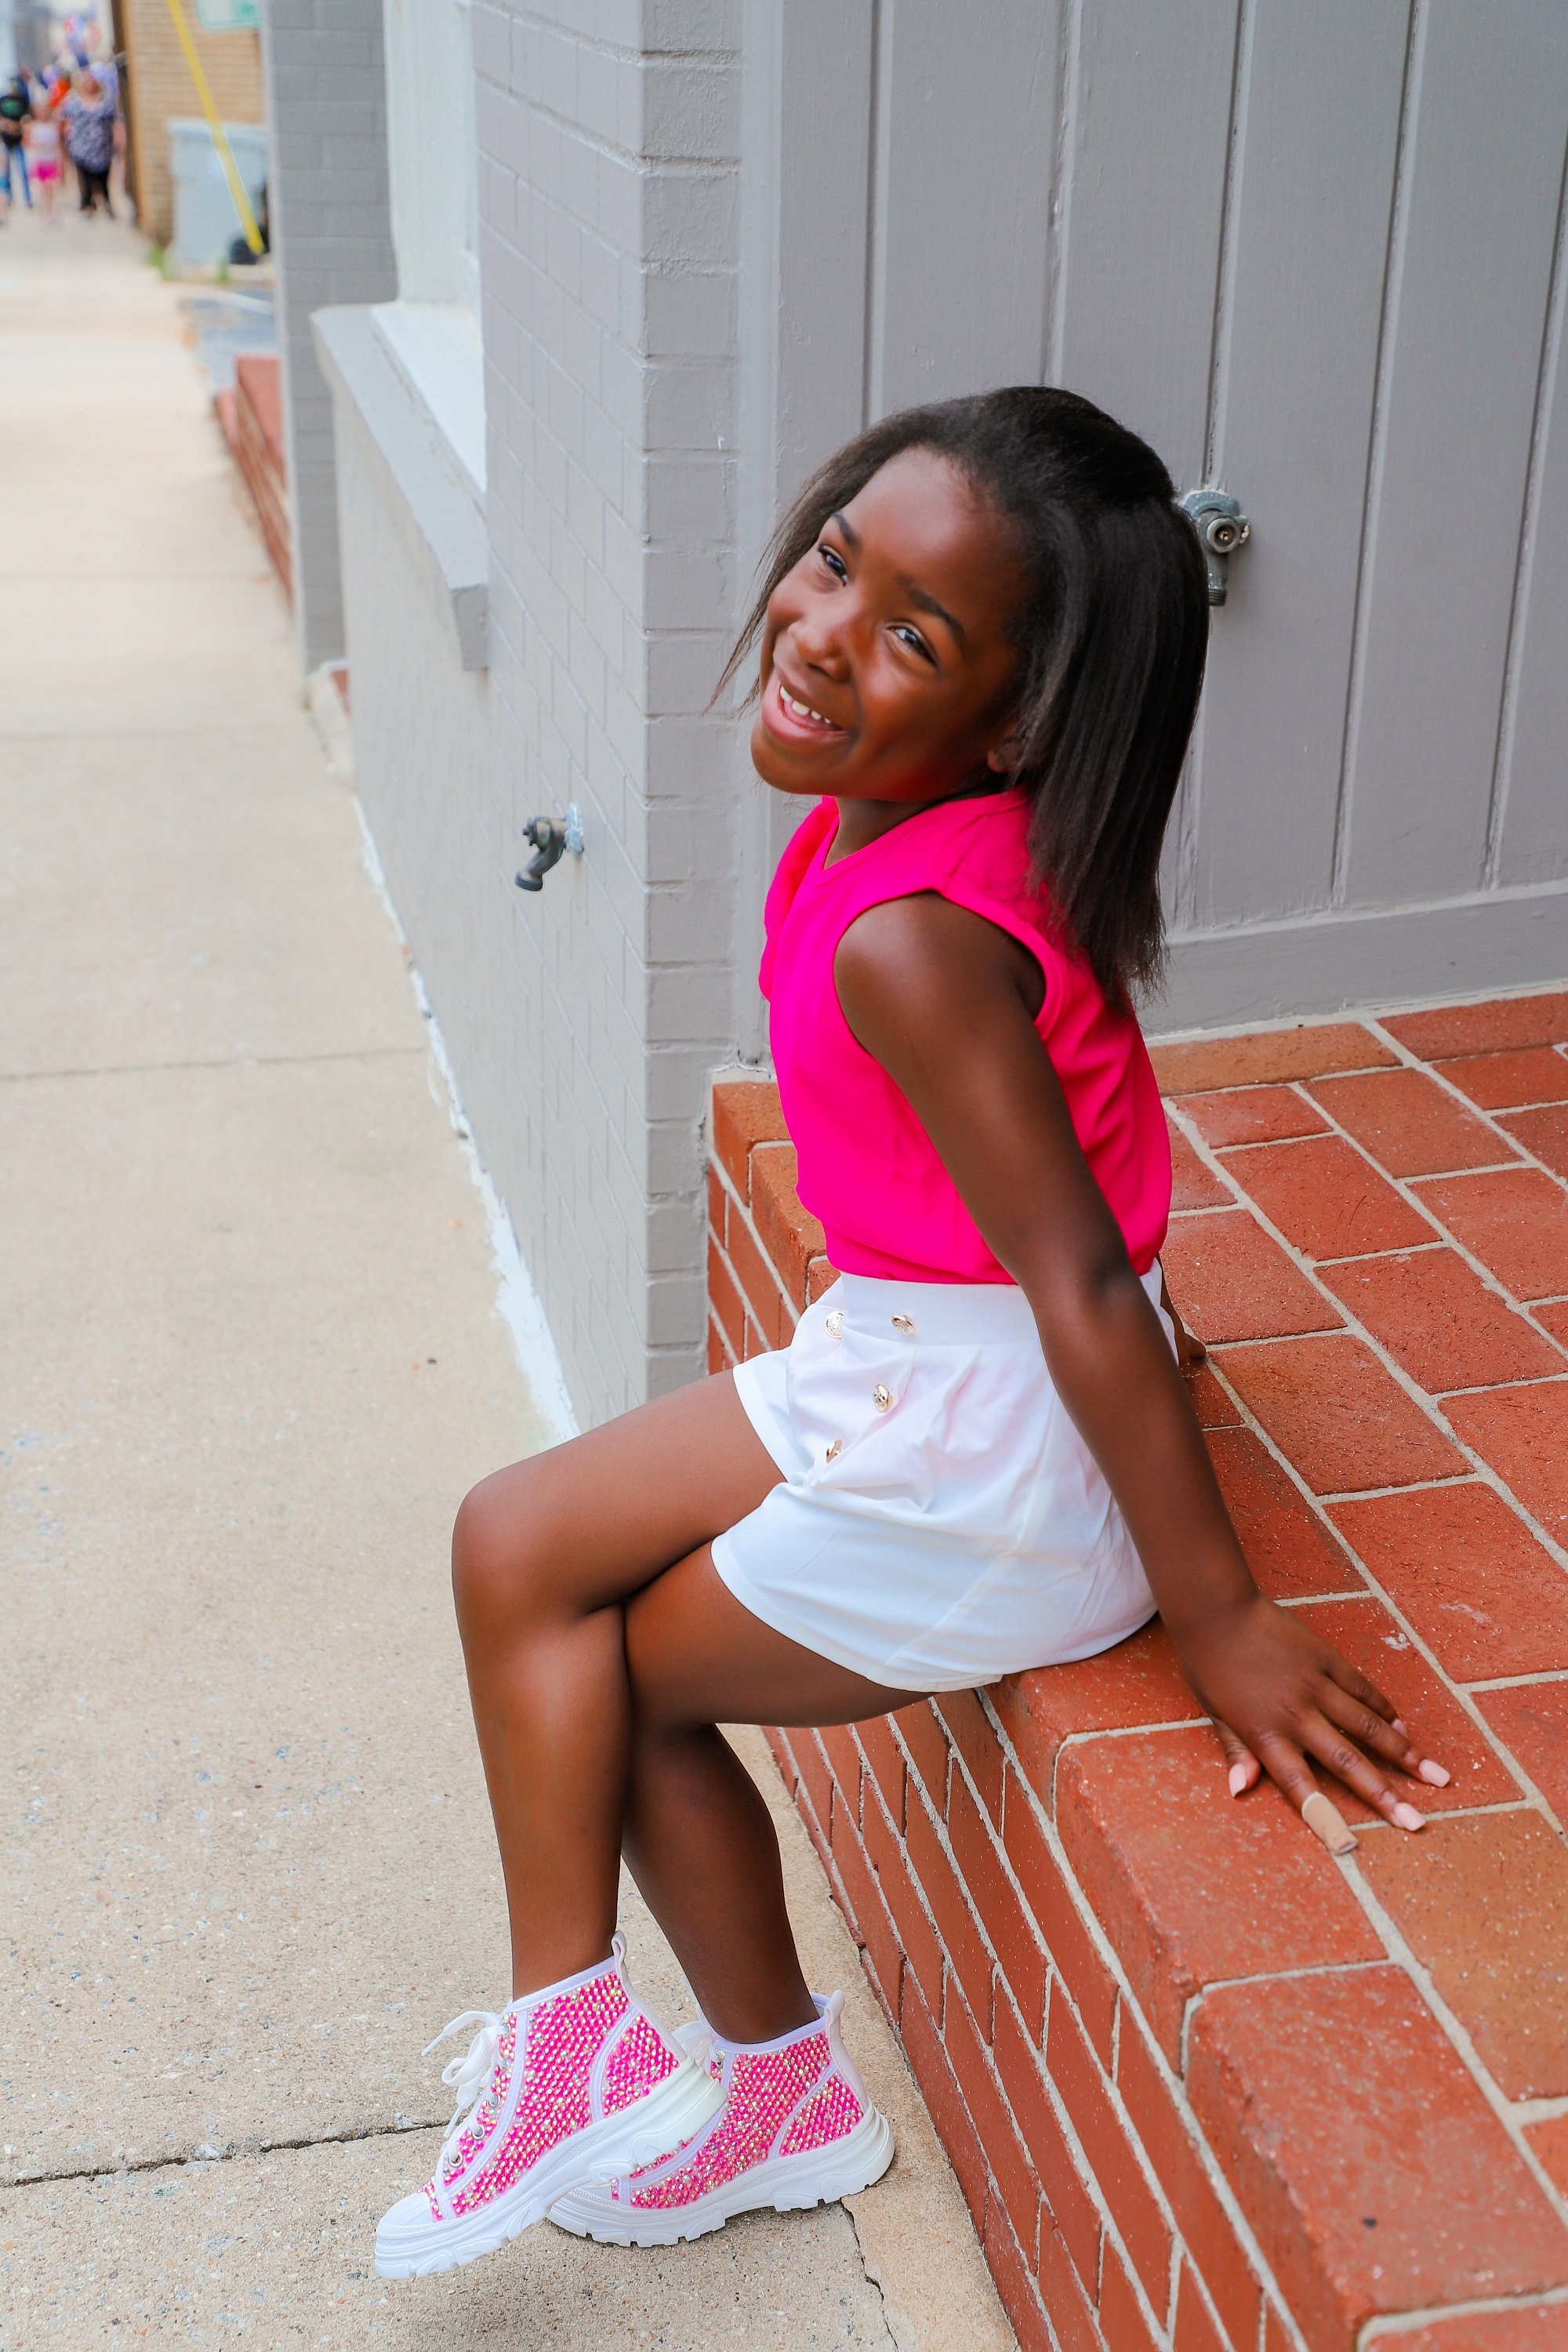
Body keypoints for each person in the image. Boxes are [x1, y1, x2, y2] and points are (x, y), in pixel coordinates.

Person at [373, 387, 1451, 2282]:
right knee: (508, 1536)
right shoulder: (892, 832)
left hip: (993, 1440)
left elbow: (1086, 1288)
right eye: (831, 559)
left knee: (610, 1679)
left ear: (1015, 715)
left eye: (909, 636)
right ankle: (593, 2034)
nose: (818, 631)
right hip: (902, 1345)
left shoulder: (907, 935)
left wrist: (1216, 1621)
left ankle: (721, 2072)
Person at [62, 68, 115, 214]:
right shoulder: (73, 101)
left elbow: (114, 120)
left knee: (103, 177)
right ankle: (87, 204)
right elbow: (65, 118)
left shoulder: (105, 101)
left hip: (102, 145)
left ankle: (106, 203)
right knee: (85, 177)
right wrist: (68, 134)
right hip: (81, 145)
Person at [0, 75, 32, 219]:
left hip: (19, 140)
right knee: (6, 173)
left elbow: (29, 117)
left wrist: (20, 127)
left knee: (23, 170)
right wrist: (6, 125)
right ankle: (9, 198)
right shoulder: (4, 100)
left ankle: (27, 198)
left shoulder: (23, 100)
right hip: (6, 139)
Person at [22, 106, 61, 223]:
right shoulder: (33, 127)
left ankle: (51, 212)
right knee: (41, 189)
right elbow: (26, 143)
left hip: (51, 160)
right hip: (39, 160)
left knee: (51, 188)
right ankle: (43, 213)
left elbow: (58, 145)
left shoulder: (53, 127)